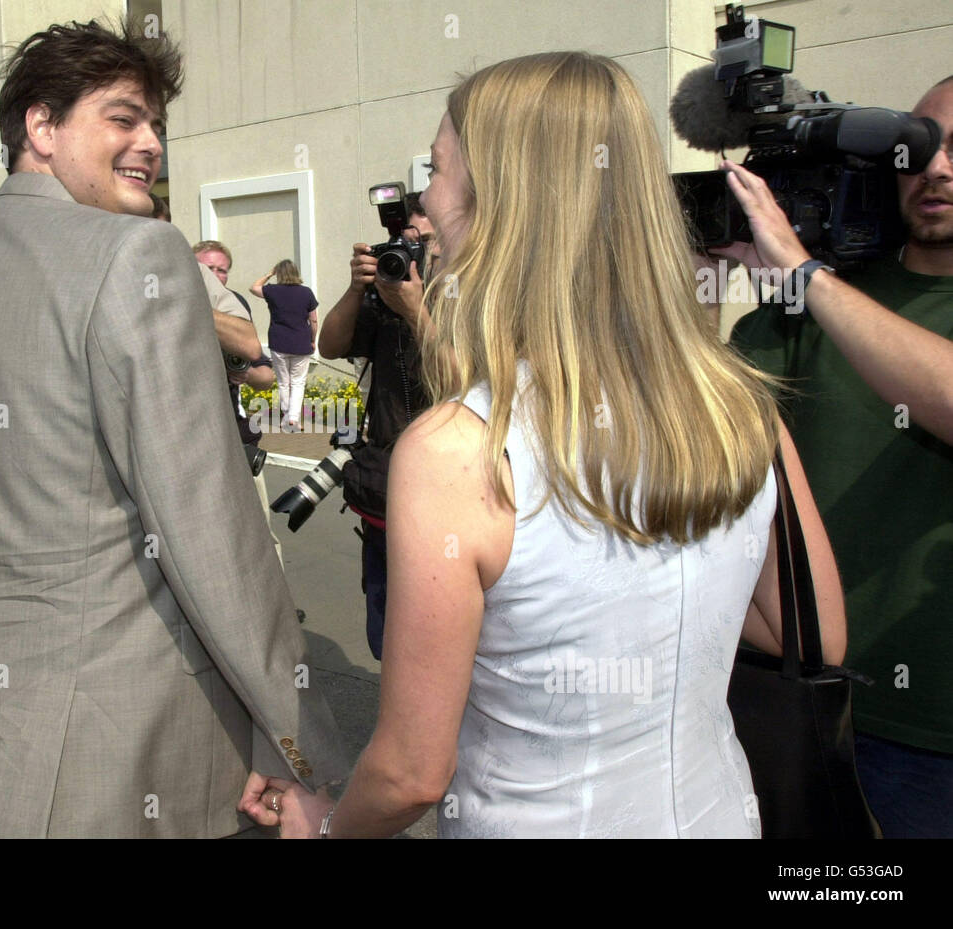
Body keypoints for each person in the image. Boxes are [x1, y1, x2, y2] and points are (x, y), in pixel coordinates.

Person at [249, 51, 846, 839]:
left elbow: (410, 771)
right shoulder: (737, 402)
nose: (424, 195)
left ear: (499, 201)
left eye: (439, 167)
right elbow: (808, 631)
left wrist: (324, 828)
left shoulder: (457, 451)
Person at [0, 18, 346, 838]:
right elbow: (210, 535)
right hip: (102, 771)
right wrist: (301, 746)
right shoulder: (143, 258)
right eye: (123, 118)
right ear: (40, 128)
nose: (151, 143)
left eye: (156, 124)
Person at [725, 75, 953, 838]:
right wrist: (706, 272)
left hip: (935, 733)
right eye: (921, 144)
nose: (938, 167)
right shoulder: (826, 295)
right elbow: (717, 408)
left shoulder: (821, 289)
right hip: (810, 698)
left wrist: (805, 276)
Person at [316, 196, 436, 660]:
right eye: (405, 232)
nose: (409, 243)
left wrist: (415, 310)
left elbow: (463, 377)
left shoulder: (469, 294)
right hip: (384, 496)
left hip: (444, 498)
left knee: (436, 642)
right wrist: (356, 289)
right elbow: (329, 344)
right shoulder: (383, 292)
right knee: (385, 636)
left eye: (422, 234)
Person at [193, 241, 285, 567]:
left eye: (222, 269)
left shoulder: (236, 309)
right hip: (192, 443)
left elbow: (265, 375)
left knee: (258, 530)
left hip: (237, 438)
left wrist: (239, 371)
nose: (215, 275)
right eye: (206, 268)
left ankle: (278, 606)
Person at [251, 260, 316, 432]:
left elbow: (253, 287)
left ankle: (287, 417)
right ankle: (293, 418)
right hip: (301, 343)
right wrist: (313, 339)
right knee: (298, 382)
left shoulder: (272, 291)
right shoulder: (306, 292)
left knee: (283, 382)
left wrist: (268, 274)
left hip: (279, 342)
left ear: (279, 273)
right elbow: (314, 320)